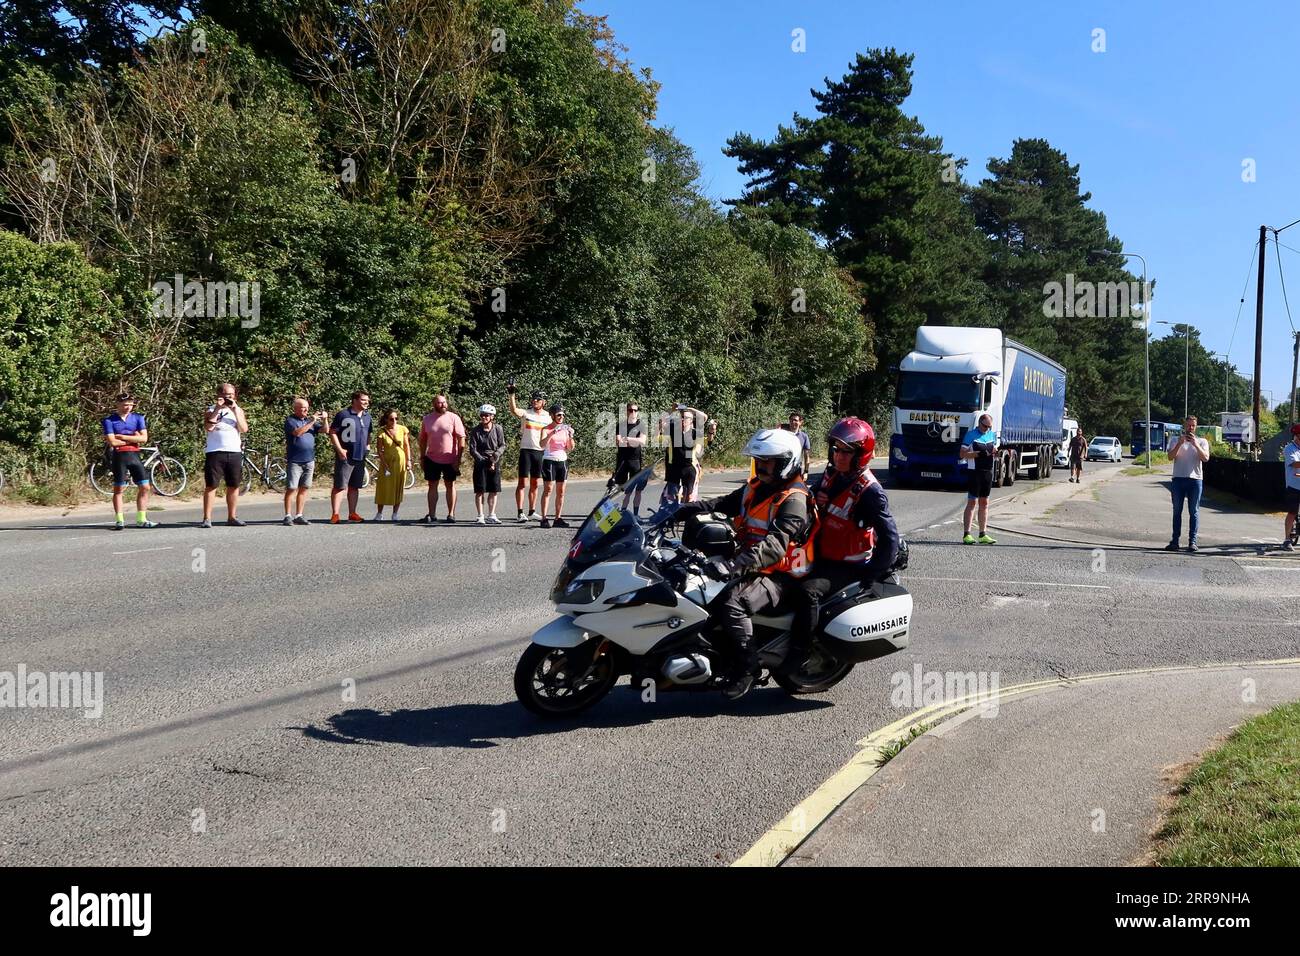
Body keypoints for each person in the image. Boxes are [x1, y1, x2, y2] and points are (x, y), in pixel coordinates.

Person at [676, 427, 815, 700]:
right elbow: (722, 502)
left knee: (733, 603)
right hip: (750, 562)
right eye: (758, 460)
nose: (760, 466)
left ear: (786, 462)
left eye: (767, 461)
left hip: (781, 573)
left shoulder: (794, 500)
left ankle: (747, 668)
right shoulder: (757, 487)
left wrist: (733, 566)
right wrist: (682, 510)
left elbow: (774, 547)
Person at [789, 418, 900, 667]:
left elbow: (890, 537)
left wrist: (871, 576)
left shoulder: (870, 491)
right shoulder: (830, 475)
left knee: (808, 593)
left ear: (860, 455)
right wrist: (814, 500)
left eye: (846, 452)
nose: (839, 456)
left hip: (848, 566)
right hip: (820, 554)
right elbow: (808, 505)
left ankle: (801, 651)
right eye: (836, 449)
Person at [101, 392, 157, 530]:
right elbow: (112, 441)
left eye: (130, 405)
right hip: (119, 457)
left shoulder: (138, 418)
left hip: (134, 455)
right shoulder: (109, 420)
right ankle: (119, 520)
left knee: (145, 487)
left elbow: (144, 439)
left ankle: (141, 519)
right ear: (118, 404)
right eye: (125, 405)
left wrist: (123, 437)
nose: (128, 407)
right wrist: (133, 436)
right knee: (119, 489)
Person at [201, 382, 249, 528]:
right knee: (211, 485)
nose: (229, 398)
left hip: (234, 451)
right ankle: (207, 518)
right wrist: (218, 408)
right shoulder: (210, 410)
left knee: (233, 485)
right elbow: (209, 427)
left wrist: (235, 411)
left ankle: (232, 517)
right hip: (215, 452)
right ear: (219, 395)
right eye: (226, 395)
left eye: (231, 395)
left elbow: (244, 429)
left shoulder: (238, 410)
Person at [418, 394, 465, 523]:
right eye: (439, 403)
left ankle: (451, 514)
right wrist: (422, 457)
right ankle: (432, 515)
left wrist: (458, 459)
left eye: (444, 402)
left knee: (450, 485)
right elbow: (422, 440)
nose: (443, 404)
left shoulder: (454, 418)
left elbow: (462, 439)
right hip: (432, 458)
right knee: (432, 485)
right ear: (434, 404)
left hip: (450, 458)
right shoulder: (427, 419)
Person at [1166, 416, 1210, 553]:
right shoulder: (1175, 440)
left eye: (1193, 426)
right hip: (1178, 479)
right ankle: (1175, 541)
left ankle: (1192, 542)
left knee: (1194, 511)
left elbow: (1206, 458)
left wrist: (1195, 444)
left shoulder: (1202, 441)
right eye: (1188, 425)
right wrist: (1179, 443)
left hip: (1195, 480)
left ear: (1196, 427)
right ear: (1184, 426)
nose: (1190, 428)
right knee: (1177, 511)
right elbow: (1170, 457)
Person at [509, 387, 551, 522]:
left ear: (543, 402)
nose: (535, 401)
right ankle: (520, 512)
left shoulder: (548, 417)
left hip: (540, 452)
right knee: (522, 483)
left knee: (534, 483)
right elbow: (514, 410)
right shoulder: (527, 413)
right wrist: (512, 394)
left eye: (538, 399)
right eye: (533, 399)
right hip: (526, 450)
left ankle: (532, 511)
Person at [329, 390, 372, 524]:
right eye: (364, 400)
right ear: (355, 400)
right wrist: (339, 448)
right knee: (340, 486)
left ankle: (352, 513)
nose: (366, 403)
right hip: (345, 456)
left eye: (367, 400)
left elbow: (369, 433)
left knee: (354, 486)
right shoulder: (343, 414)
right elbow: (332, 432)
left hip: (360, 456)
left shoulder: (367, 416)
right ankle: (335, 514)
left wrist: (368, 446)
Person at [283, 397, 325, 525]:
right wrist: (312, 421)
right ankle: (288, 515)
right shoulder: (290, 420)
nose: (306, 410)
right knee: (292, 488)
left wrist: (325, 419)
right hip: (295, 460)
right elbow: (298, 433)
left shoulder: (308, 420)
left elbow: (325, 430)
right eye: (303, 407)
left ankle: (299, 515)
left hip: (309, 460)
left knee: (304, 488)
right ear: (295, 409)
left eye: (307, 407)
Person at [660, 403, 710, 507]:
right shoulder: (673, 428)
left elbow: (704, 417)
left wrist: (689, 409)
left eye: (686, 418)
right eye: (682, 417)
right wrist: (673, 409)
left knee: (688, 496)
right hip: (674, 467)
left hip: (688, 467)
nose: (683, 420)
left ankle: (685, 514)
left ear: (691, 421)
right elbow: (662, 420)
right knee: (671, 496)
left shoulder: (695, 432)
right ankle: (671, 515)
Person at [960, 413, 998, 545]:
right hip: (974, 472)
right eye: (985, 426)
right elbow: (962, 454)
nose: (987, 429)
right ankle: (967, 534)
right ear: (979, 423)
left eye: (989, 426)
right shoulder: (971, 435)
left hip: (987, 472)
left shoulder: (992, 435)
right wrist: (977, 454)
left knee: (985, 503)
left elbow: (994, 449)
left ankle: (983, 534)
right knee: (972, 503)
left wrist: (995, 452)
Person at [539, 404, 575, 529]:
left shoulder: (565, 429)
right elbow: (542, 445)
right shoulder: (546, 429)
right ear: (552, 415)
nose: (561, 417)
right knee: (548, 489)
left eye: (563, 415)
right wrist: (552, 433)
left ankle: (557, 518)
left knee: (561, 491)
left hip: (562, 461)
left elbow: (570, 448)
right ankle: (544, 518)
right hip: (549, 461)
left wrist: (570, 436)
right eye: (559, 415)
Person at [469, 404, 505, 524]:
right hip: (480, 462)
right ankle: (480, 515)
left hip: (494, 460)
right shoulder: (475, 430)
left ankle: (492, 514)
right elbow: (472, 449)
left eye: (487, 415)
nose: (484, 417)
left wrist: (495, 456)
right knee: (480, 490)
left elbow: (502, 445)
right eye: (482, 415)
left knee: (493, 489)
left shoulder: (498, 428)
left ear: (492, 417)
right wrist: (482, 459)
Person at [374, 408, 412, 521]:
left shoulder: (402, 429)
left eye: (396, 418)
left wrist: (409, 460)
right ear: (386, 419)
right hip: (387, 462)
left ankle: (395, 513)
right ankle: (379, 513)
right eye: (391, 419)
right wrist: (384, 463)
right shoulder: (382, 431)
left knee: (398, 486)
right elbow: (379, 450)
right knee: (383, 486)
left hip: (400, 461)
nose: (394, 421)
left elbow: (406, 446)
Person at [609, 402, 647, 513]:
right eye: (630, 410)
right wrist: (634, 440)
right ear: (626, 411)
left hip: (635, 460)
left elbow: (642, 441)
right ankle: (621, 512)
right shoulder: (620, 425)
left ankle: (635, 514)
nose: (633, 412)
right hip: (622, 460)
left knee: (638, 489)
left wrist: (627, 439)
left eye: (635, 410)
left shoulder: (642, 425)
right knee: (621, 488)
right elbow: (619, 442)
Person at [1283, 424, 1300, 551]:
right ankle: (1287, 539)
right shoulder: (1290, 448)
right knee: (1292, 512)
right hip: (1294, 485)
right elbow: (1294, 463)